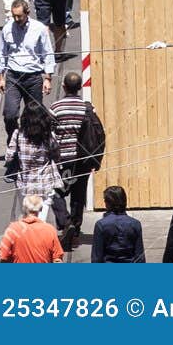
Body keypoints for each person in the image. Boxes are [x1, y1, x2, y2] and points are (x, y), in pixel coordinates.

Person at [51, 69, 104, 241]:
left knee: (56, 192)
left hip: (64, 160)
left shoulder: (56, 108)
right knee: (78, 195)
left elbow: (50, 134)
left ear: (64, 86)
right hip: (83, 160)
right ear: (79, 87)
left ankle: (65, 222)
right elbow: (97, 134)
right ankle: (74, 231)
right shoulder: (87, 109)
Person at [0, 0, 54, 138]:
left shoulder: (39, 28)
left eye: (19, 16)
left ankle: (31, 142)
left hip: (33, 77)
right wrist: (1, 78)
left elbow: (47, 53)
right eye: (14, 16)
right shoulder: (7, 28)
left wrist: (48, 78)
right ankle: (14, 141)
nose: (16, 19)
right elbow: (2, 54)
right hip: (13, 77)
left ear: (27, 13)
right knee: (10, 114)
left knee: (34, 116)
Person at [0, 192, 64, 263]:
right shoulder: (49, 230)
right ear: (41, 209)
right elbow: (57, 259)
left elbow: (3, 257)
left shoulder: (13, 229)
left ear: (24, 208)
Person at [91, 184, 146, 261]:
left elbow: (97, 256)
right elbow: (140, 256)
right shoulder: (135, 224)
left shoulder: (101, 225)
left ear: (108, 204)